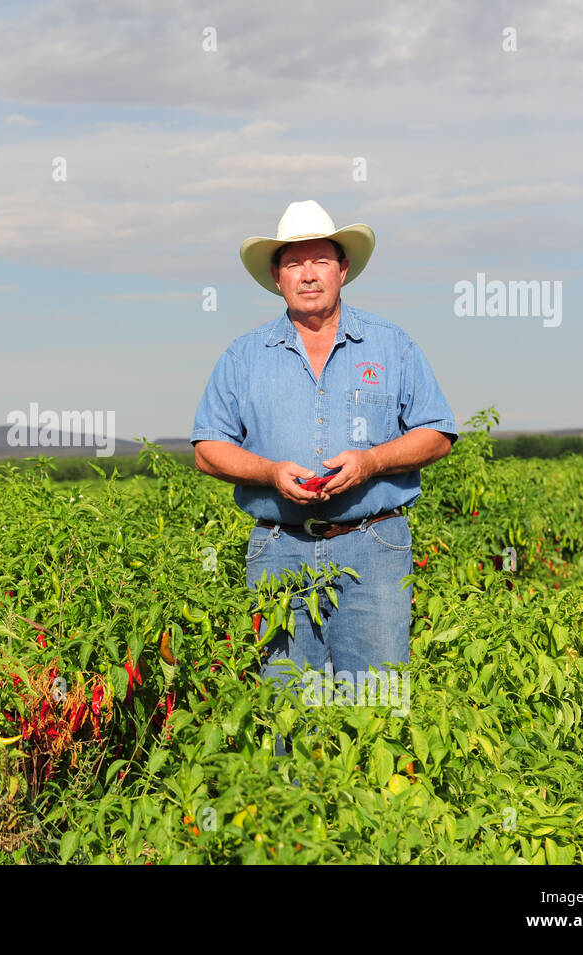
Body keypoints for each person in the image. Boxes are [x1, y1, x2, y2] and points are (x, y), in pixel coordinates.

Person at [191, 199, 458, 754]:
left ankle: (376, 828)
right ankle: (293, 828)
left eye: (320, 261)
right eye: (294, 263)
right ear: (276, 276)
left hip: (373, 545)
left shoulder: (391, 345)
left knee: (378, 705)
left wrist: (371, 461)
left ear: (343, 270)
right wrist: (268, 472)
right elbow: (208, 449)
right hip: (278, 549)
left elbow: (438, 433)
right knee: (284, 709)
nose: (307, 274)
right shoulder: (244, 357)